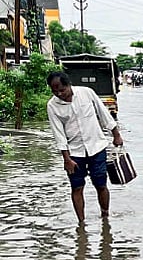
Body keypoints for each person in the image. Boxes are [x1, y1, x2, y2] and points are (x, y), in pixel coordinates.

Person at [47, 71, 124, 224]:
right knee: (77, 187)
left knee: (101, 184)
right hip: (74, 152)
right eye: (55, 91)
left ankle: (105, 217)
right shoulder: (52, 105)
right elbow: (58, 134)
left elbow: (104, 114)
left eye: (62, 89)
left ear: (69, 85)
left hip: (97, 147)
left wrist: (116, 134)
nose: (59, 94)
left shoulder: (86, 93)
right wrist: (66, 158)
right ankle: (81, 223)